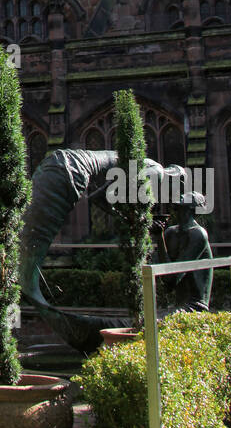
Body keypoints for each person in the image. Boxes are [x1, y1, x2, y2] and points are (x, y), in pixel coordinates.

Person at [18, 148, 184, 353]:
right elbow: (103, 196)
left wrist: (126, 217)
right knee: (29, 259)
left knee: (26, 258)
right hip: (70, 171)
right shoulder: (156, 172)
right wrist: (135, 221)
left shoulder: (147, 165)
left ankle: (71, 326)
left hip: (59, 163)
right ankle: (69, 325)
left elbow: (100, 197)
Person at [155, 192, 213, 311]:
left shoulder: (198, 234)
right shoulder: (171, 232)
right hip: (177, 305)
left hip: (195, 307)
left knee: (156, 323)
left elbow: (173, 277)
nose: (182, 195)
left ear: (192, 208)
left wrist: (160, 238)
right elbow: (167, 284)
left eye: (189, 196)